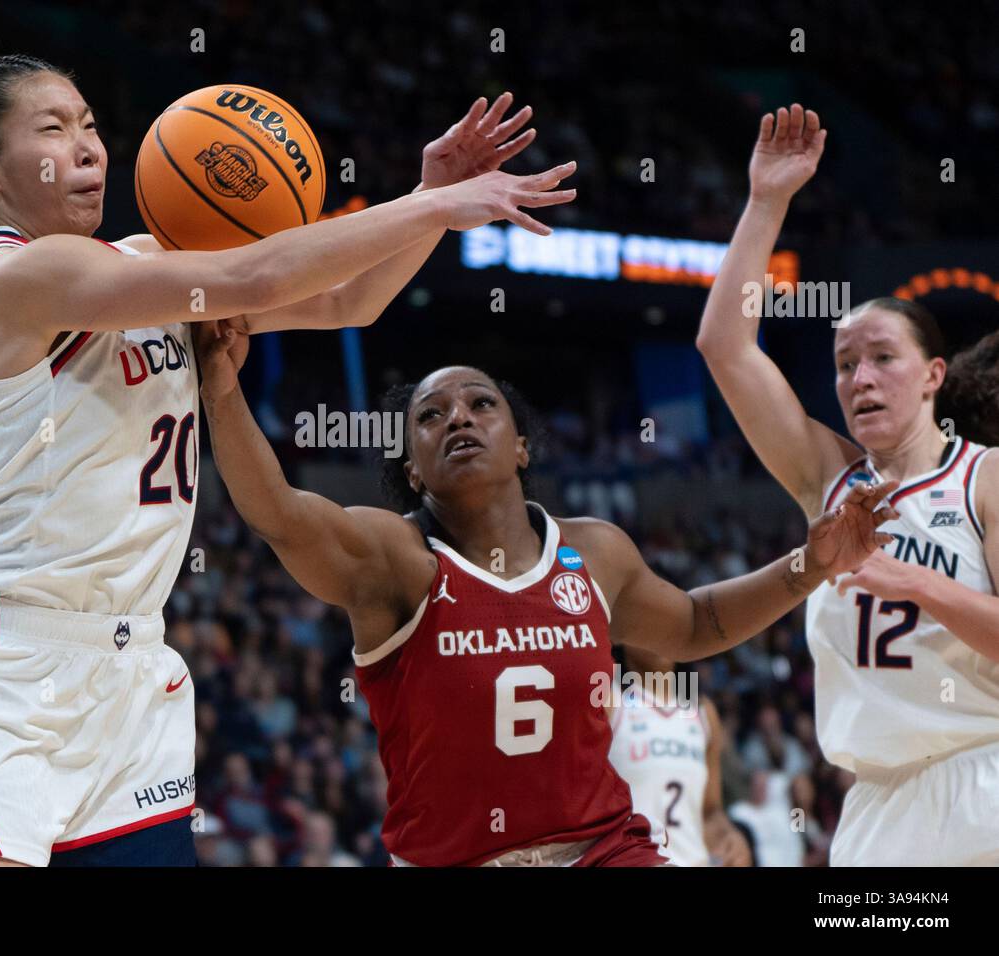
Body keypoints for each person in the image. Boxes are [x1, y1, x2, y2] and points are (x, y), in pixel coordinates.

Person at [0, 45, 575, 866]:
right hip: (21, 674)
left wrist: (430, 197)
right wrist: (438, 207)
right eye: (51, 129)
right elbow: (256, 275)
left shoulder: (149, 267)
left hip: (136, 673)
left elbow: (344, 298)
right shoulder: (16, 278)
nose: (85, 146)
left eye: (88, 125)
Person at [197, 322, 896, 866]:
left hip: (603, 851)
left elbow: (694, 620)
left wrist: (810, 564)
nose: (460, 419)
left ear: (522, 446)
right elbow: (278, 514)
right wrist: (224, 390)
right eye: (432, 416)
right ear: (412, 469)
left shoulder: (594, 551)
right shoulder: (396, 560)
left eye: (481, 404)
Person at [696, 103, 999, 865]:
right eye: (842, 364)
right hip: (872, 806)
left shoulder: (985, 479)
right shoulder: (828, 479)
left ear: (933, 375)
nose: (860, 378)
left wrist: (919, 584)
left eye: (882, 358)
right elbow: (724, 346)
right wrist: (767, 203)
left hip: (983, 781)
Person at [606, 645, 752, 866]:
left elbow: (710, 812)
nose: (662, 629)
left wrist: (728, 836)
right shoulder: (607, 699)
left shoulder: (704, 712)